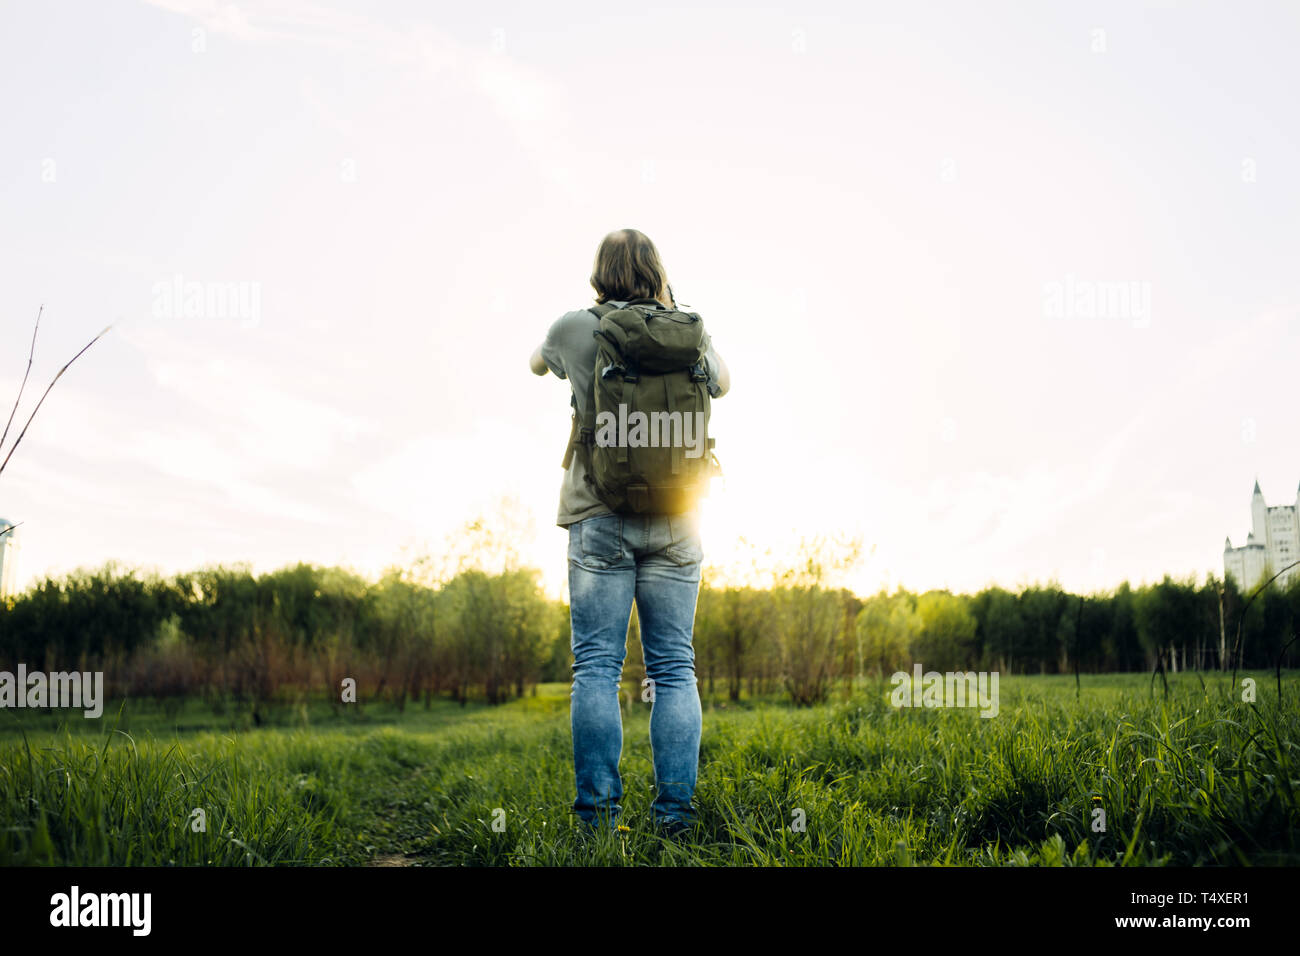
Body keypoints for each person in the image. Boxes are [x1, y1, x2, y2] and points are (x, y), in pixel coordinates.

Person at [530, 228, 729, 836]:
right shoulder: (689, 327)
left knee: (596, 666)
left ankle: (598, 818)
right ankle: (675, 817)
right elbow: (722, 383)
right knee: (674, 667)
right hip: (677, 516)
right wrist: (671, 307)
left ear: (599, 272)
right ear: (657, 271)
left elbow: (536, 364)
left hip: (599, 519)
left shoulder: (575, 326)